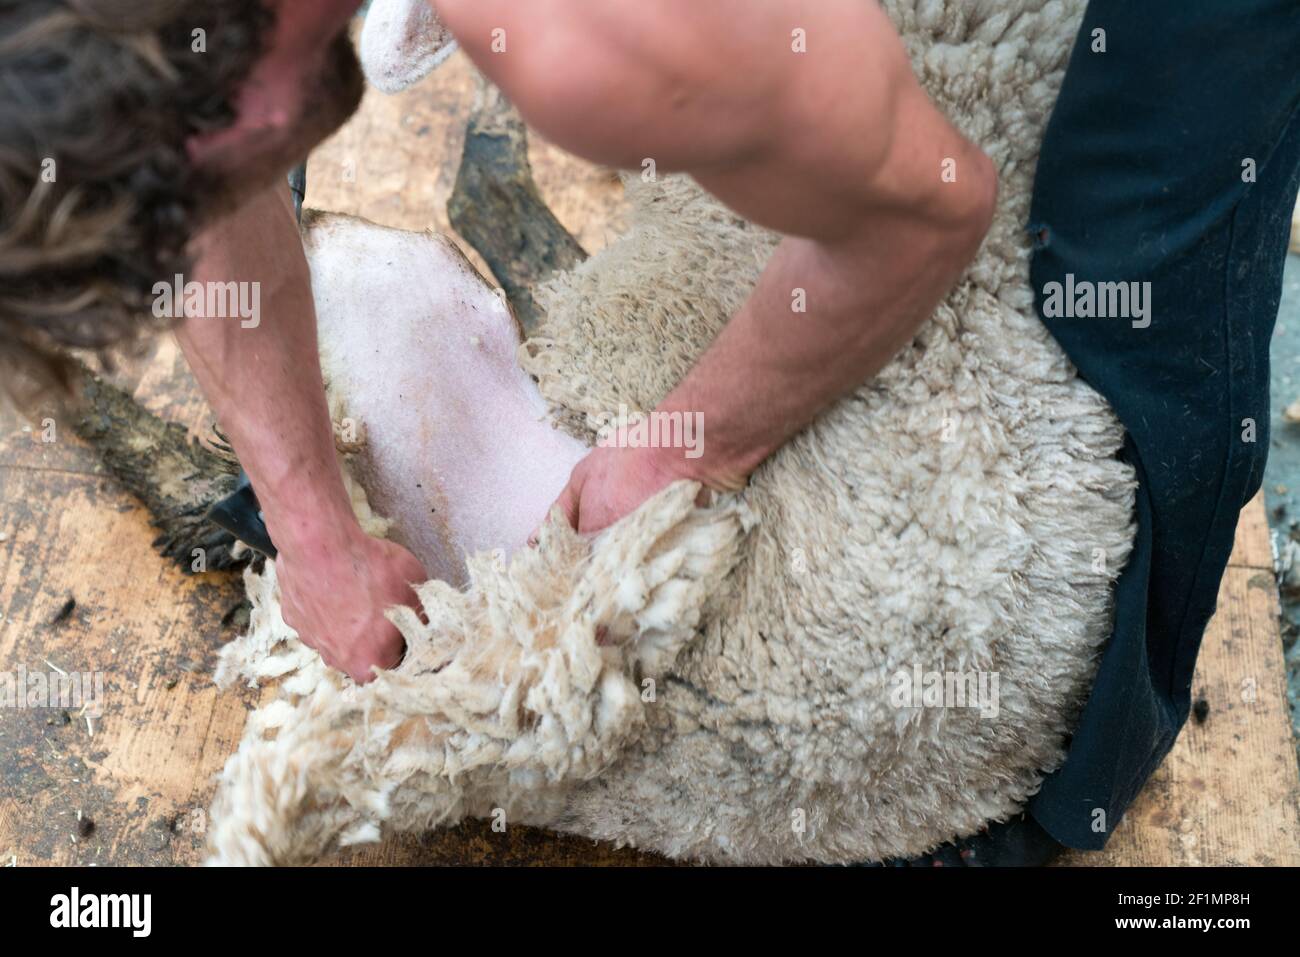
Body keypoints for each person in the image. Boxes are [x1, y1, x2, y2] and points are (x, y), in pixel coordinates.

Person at [2, 0, 1297, 865]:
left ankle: (1082, 747)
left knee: (1126, 252)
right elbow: (190, 179)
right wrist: (311, 529)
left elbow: (929, 206)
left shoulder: (589, 38)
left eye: (185, 198)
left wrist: (687, 441)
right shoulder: (152, 44)